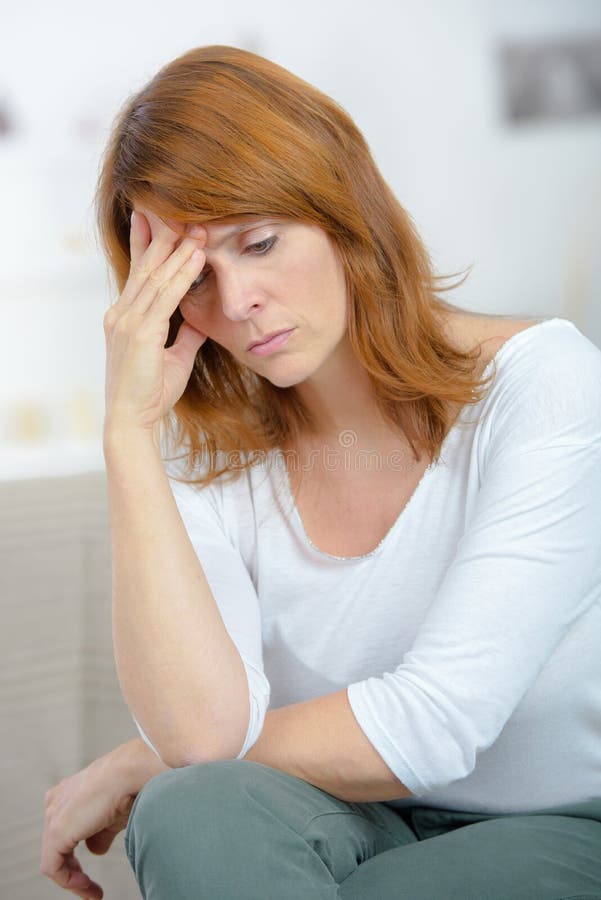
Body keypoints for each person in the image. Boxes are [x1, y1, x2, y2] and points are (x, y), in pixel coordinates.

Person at [40, 44, 601, 900]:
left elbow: (438, 724)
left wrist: (135, 760)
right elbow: (200, 741)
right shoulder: (213, 471)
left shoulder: (546, 384)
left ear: (341, 207)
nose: (236, 303)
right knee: (190, 807)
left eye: (259, 242)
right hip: (347, 816)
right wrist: (127, 433)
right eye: (193, 278)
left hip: (561, 822)